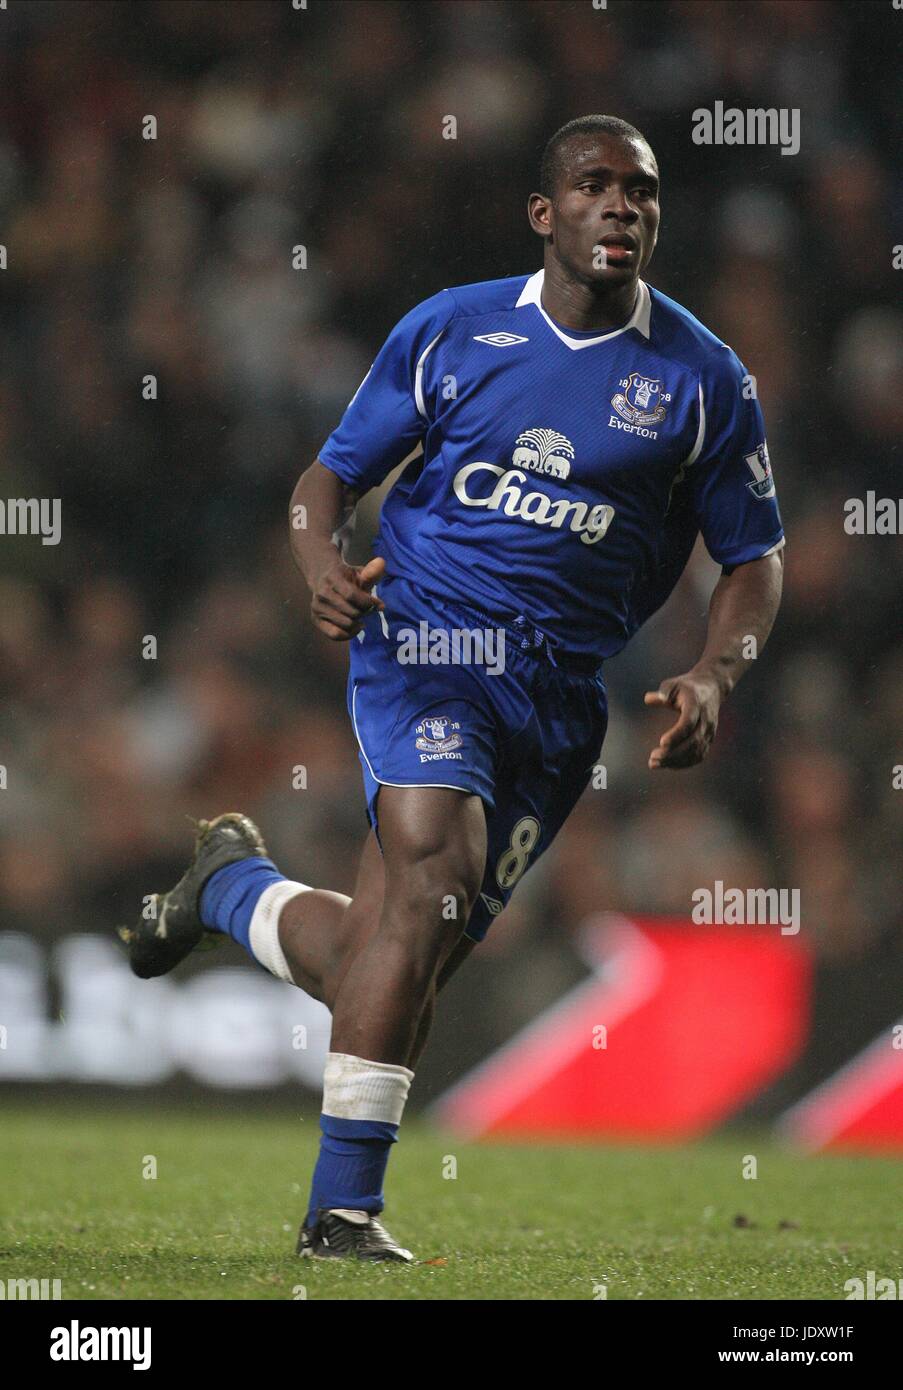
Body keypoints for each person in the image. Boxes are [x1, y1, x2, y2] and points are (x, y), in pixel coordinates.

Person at [122, 115, 784, 1262]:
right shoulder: (451, 330)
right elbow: (325, 480)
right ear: (547, 214)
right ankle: (342, 1216)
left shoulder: (704, 379)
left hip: (563, 700)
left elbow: (756, 558)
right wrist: (319, 565)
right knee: (435, 862)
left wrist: (718, 671)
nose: (622, 206)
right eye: (594, 185)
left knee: (395, 954)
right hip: (426, 641)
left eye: (642, 190)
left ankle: (230, 889)